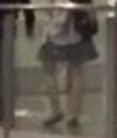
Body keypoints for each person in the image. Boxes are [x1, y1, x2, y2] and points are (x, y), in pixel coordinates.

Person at [37, 0, 98, 130]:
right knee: (77, 74)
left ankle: (56, 110)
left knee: (49, 71)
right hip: (76, 34)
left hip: (54, 34)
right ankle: (74, 115)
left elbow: (48, 9)